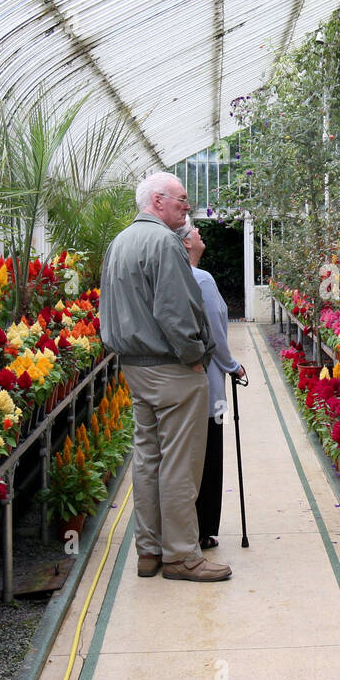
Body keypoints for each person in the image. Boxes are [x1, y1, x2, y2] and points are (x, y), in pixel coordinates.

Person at [98, 172, 231, 582]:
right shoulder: (165, 244)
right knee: (180, 463)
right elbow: (176, 311)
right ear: (158, 201)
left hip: (136, 369)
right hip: (172, 369)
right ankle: (181, 556)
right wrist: (195, 357)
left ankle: (149, 551)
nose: (187, 207)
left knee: (148, 457)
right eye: (182, 200)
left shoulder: (119, 243)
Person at [177, 224, 247, 549]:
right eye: (195, 231)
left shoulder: (171, 278)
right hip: (208, 386)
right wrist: (234, 366)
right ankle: (203, 529)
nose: (200, 234)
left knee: (184, 456)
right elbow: (217, 333)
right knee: (209, 453)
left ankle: (182, 528)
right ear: (187, 243)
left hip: (177, 385)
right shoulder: (201, 279)